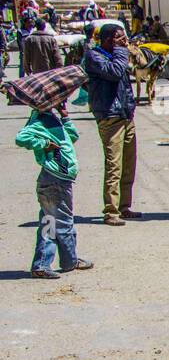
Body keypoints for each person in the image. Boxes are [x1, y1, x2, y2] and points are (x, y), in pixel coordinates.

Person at [12, 69, 93, 278]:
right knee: (63, 221)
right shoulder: (40, 120)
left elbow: (72, 138)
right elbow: (22, 138)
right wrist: (44, 144)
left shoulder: (52, 118)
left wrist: (65, 118)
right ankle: (69, 261)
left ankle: (42, 264)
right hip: (55, 180)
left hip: (57, 179)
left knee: (50, 222)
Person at [83, 21, 140, 224]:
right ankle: (111, 211)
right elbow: (115, 72)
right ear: (107, 40)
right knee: (114, 165)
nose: (123, 41)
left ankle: (124, 206)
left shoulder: (117, 54)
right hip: (110, 116)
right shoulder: (94, 56)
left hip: (125, 114)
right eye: (118, 38)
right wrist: (122, 51)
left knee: (128, 164)